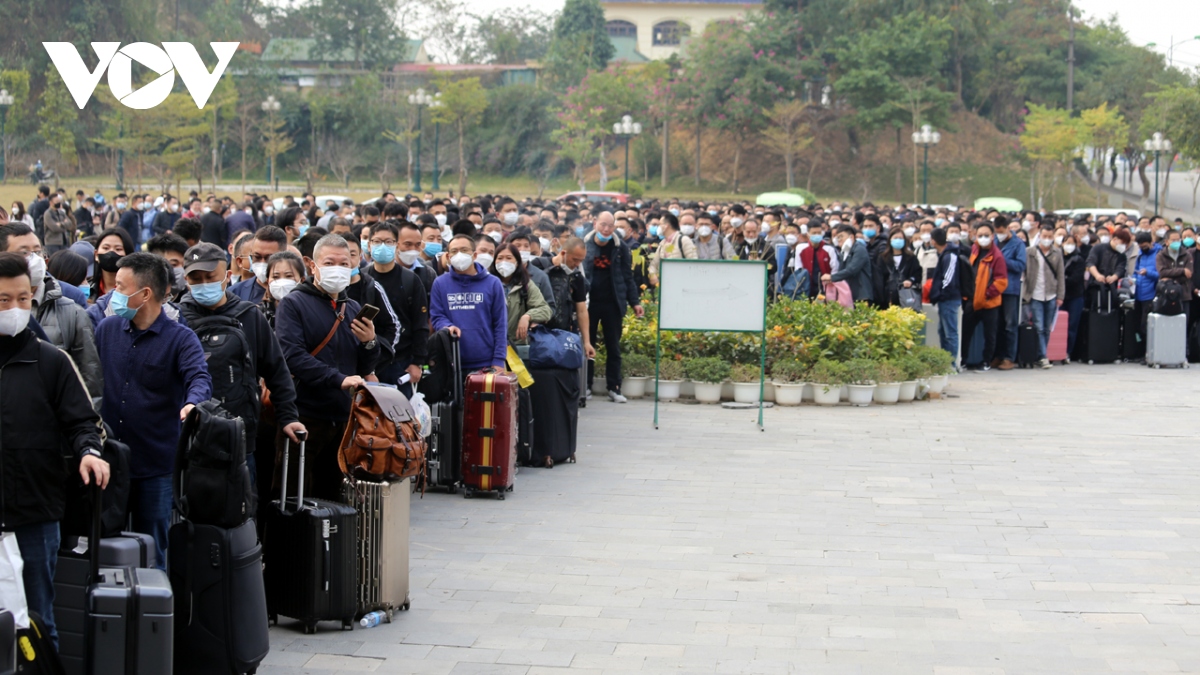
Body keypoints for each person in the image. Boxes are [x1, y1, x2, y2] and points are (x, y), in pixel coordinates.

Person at [0, 251, 109, 648]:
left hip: (35, 510)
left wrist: (89, 452)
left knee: (38, 621)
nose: (15, 308)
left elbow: (82, 421)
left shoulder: (51, 361)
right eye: (3, 300)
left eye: (23, 299)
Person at [94, 253, 212, 567]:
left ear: (144, 293)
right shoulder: (107, 330)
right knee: (104, 544)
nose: (113, 293)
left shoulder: (180, 339)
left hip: (155, 464)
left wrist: (192, 403)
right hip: (109, 461)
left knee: (153, 547)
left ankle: (156, 611)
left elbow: (198, 376)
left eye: (120, 287)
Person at [178, 242, 304, 493]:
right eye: (196, 278)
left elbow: (276, 369)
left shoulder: (249, 315)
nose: (203, 284)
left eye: (210, 277)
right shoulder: (178, 317)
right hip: (190, 433)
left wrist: (288, 417)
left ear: (226, 276)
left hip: (240, 434)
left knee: (241, 506)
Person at [274, 234, 379, 502]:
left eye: (344, 263)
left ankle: (330, 543)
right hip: (305, 415)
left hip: (343, 419)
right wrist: (338, 379)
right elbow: (292, 356)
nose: (338, 268)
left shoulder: (352, 306)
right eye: (329, 262)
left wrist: (370, 342)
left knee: (333, 495)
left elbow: (364, 364)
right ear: (312, 265)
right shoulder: (294, 303)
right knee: (296, 495)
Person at [0, 224, 102, 397]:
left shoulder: (72, 309)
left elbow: (89, 377)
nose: (33, 259)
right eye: (24, 252)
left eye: (37, 251)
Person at [364, 221, 430, 398]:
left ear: (396, 245)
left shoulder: (410, 280)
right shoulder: (363, 279)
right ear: (369, 245)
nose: (382, 247)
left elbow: (420, 324)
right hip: (368, 362)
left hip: (400, 362)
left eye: (389, 242)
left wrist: (418, 362)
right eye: (377, 242)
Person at [584, 212, 643, 403]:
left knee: (613, 347)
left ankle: (614, 387)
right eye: (603, 225)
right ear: (595, 224)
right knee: (587, 345)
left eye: (610, 226)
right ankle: (585, 385)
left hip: (613, 303)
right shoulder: (584, 245)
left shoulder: (621, 248)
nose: (606, 229)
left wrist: (634, 302)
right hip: (588, 304)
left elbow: (627, 277)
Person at [429, 234, 508, 372]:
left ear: (474, 255)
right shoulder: (440, 283)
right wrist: (447, 326)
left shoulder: (493, 283)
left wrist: (499, 360)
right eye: (454, 251)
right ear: (447, 257)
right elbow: (436, 315)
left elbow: (500, 324)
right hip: (451, 362)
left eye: (464, 250)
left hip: (486, 362)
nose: (459, 255)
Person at [961, 224, 1008, 371]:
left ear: (993, 236)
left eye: (986, 235)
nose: (982, 238)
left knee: (990, 334)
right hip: (972, 300)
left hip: (989, 303)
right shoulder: (973, 250)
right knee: (965, 332)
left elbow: (1002, 281)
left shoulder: (997, 256)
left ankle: (986, 361)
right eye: (980, 235)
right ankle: (962, 359)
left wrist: (987, 293)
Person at [491, 243, 552, 347]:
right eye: (500, 258)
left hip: (517, 344)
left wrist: (528, 316)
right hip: (490, 344)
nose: (503, 262)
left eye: (509, 258)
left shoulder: (525, 284)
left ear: (517, 262)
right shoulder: (487, 283)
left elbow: (546, 310)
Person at [1022, 228, 1065, 369]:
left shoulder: (1057, 253)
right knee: (1039, 327)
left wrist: (1060, 295)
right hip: (1035, 294)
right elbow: (1025, 272)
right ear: (1040, 236)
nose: (1047, 238)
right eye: (1044, 236)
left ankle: (1042, 354)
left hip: (1051, 294)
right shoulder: (1030, 252)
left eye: (1049, 236)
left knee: (1047, 328)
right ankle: (1042, 356)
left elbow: (1060, 275)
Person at [993, 217, 1026, 371]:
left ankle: (1009, 357)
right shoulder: (992, 241)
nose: (999, 234)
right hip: (994, 288)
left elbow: (1020, 265)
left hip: (1010, 289)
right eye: (996, 232)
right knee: (997, 324)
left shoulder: (1018, 244)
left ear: (1008, 228)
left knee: (1010, 324)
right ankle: (998, 355)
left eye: (1001, 231)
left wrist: (1002, 260)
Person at [927, 228, 962, 363]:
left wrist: (940, 293)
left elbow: (948, 279)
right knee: (943, 332)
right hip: (945, 299)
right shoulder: (945, 254)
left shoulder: (950, 255)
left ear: (933, 241)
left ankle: (951, 363)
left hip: (949, 299)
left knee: (950, 333)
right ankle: (946, 361)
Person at [230, 226, 288, 303]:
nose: (262, 262)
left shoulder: (295, 292)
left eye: (269, 258)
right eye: (257, 257)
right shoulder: (234, 293)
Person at [872, 227, 921, 308]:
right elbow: (879, 278)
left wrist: (910, 280)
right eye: (895, 238)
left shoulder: (910, 257)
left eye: (900, 238)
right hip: (888, 295)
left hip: (906, 294)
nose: (898, 240)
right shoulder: (883, 258)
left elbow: (917, 273)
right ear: (890, 240)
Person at [823, 225, 873, 303]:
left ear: (851, 237)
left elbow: (852, 269)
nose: (839, 240)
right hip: (850, 294)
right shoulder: (844, 252)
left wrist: (832, 277)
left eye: (841, 236)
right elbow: (841, 271)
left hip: (861, 295)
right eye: (837, 237)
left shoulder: (859, 249)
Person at [647, 212, 698, 286]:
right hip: (665, 284)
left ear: (666, 226)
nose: (658, 227)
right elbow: (654, 264)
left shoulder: (683, 240)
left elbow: (694, 264)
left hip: (683, 284)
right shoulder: (662, 243)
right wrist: (652, 275)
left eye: (660, 224)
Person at [1085, 228, 1132, 306]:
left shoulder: (1122, 255)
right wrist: (1097, 275)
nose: (1124, 246)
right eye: (1122, 243)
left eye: (1126, 244)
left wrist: (1114, 277)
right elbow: (1090, 262)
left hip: (1112, 287)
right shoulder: (1098, 248)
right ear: (1115, 239)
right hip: (1095, 286)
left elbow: (1121, 268)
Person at [1156, 229, 1193, 322]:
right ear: (1166, 242)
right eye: (1173, 240)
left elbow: (1188, 274)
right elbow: (1162, 272)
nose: (1176, 242)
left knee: (1184, 324)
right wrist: (1182, 270)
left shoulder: (1187, 255)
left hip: (1184, 294)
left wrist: (1171, 278)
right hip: (1166, 295)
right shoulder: (1161, 256)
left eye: (1178, 240)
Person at [1060, 234, 1087, 357]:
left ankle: (1068, 351)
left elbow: (1075, 279)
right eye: (1067, 242)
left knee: (1072, 325)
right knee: (1059, 325)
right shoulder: (1057, 257)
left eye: (1072, 243)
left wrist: (1061, 279)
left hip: (1075, 296)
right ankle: (1057, 350)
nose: (1069, 246)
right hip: (1060, 296)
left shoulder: (1079, 259)